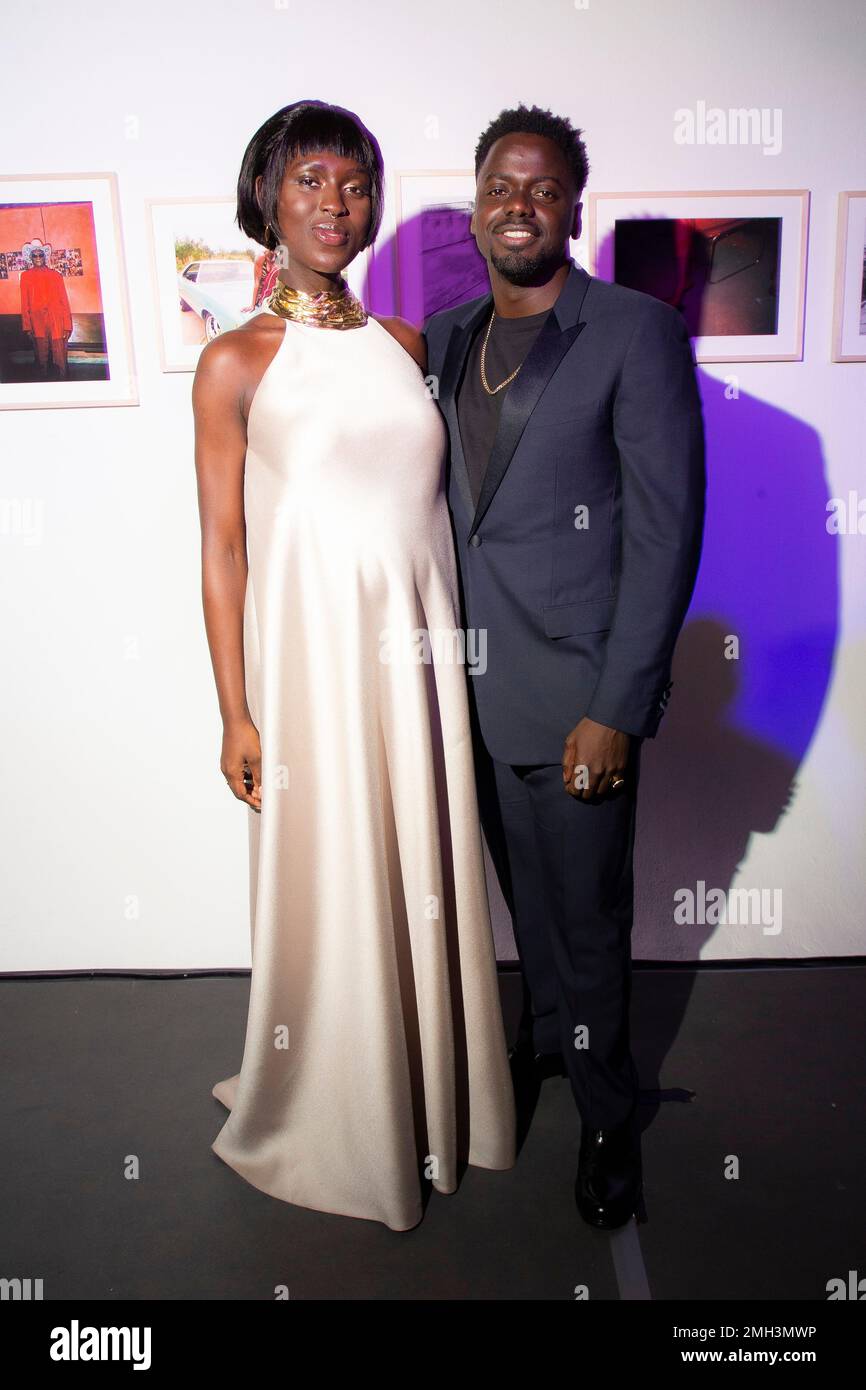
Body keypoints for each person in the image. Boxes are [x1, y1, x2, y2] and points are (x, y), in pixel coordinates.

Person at [192, 100, 515, 1232]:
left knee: (418, 866)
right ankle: (334, 1106)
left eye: (355, 183)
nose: (336, 204)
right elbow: (224, 545)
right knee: (336, 877)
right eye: (311, 181)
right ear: (268, 197)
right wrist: (235, 711)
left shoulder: (406, 349)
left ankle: (426, 1087)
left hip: (416, 663)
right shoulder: (236, 358)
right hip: (317, 675)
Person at [423, 104, 706, 1230]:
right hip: (467, 697)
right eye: (499, 185)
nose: (517, 205)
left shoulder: (632, 331)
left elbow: (664, 529)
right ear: (477, 200)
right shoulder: (442, 338)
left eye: (540, 188)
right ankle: (544, 1046)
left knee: (587, 923)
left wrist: (617, 709)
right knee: (521, 910)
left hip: (581, 699)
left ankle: (603, 1117)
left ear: (572, 208)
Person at [20, 245, 72, 379]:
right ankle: (42, 384)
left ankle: (64, 380)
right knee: (41, 357)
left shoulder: (56, 275)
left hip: (56, 320)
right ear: (30, 258)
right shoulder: (25, 276)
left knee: (60, 355)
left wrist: (67, 325)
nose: (38, 258)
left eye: (40, 255)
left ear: (45, 256)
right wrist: (27, 326)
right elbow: (24, 303)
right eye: (35, 255)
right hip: (37, 322)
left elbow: (64, 301)